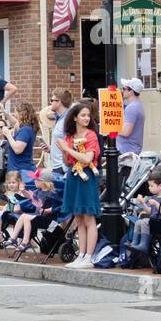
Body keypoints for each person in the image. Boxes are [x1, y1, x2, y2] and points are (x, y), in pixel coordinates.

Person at [55, 101, 101, 267]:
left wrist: (67, 149)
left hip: (87, 176)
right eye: (83, 115)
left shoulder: (91, 135)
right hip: (73, 175)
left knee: (89, 217)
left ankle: (89, 256)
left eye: (88, 115)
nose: (86, 118)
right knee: (79, 219)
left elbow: (88, 159)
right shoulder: (69, 137)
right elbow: (68, 162)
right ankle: (81, 255)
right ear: (74, 117)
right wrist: (63, 150)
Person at [126, 172, 161, 253]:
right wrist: (143, 203)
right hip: (153, 222)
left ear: (160, 186)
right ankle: (134, 243)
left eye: (151, 186)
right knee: (138, 222)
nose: (149, 188)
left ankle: (144, 245)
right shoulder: (153, 197)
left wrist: (157, 204)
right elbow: (150, 211)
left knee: (145, 222)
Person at [116, 78, 146, 185]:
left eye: (124, 89)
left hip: (127, 153)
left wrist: (110, 128)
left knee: (121, 185)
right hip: (130, 150)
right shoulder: (137, 106)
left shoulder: (131, 108)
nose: (122, 91)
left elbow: (126, 132)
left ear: (131, 91)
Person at [0, 171, 25, 246]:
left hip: (17, 214)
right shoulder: (9, 193)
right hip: (9, 213)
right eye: (9, 183)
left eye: (13, 183)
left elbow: (19, 208)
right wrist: (1, 207)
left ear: (19, 183)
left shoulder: (21, 194)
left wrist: (6, 209)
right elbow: (9, 205)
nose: (11, 185)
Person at [2, 102, 39, 179]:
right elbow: (15, 122)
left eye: (16, 113)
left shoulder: (25, 130)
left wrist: (8, 134)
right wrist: (4, 112)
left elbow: (18, 149)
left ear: (22, 114)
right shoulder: (27, 127)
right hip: (20, 170)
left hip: (21, 171)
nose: (15, 115)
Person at [41, 90, 72, 175]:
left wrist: (65, 168)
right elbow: (62, 141)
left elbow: (72, 143)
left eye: (52, 100)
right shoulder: (60, 118)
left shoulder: (67, 120)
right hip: (57, 166)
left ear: (59, 102)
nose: (50, 102)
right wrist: (51, 149)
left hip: (62, 167)